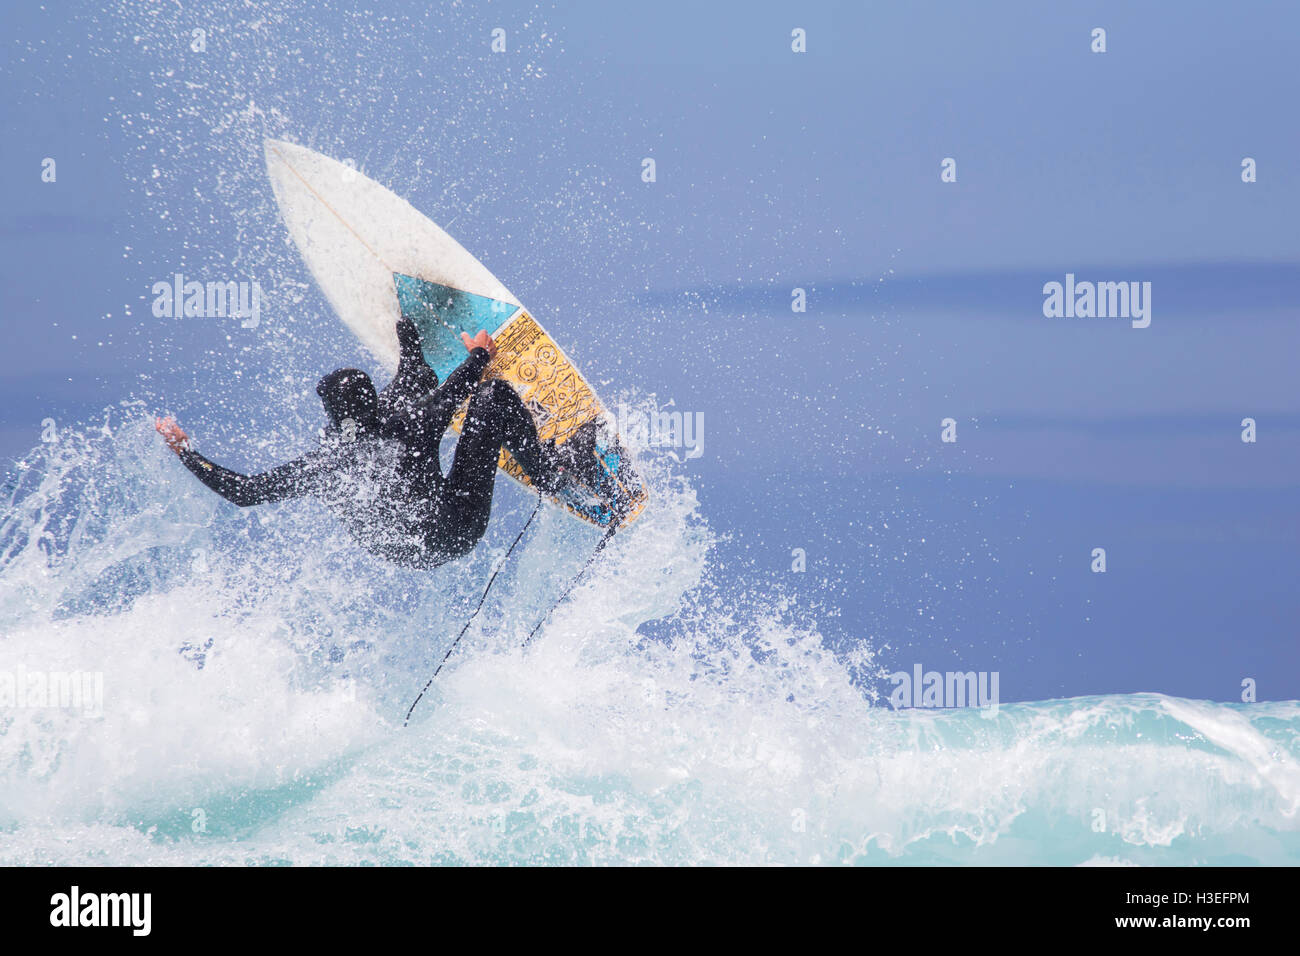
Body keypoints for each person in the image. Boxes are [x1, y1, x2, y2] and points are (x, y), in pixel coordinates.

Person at [156, 317, 601, 568]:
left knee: (410, 395)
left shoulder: (324, 460)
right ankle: (551, 472)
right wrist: (481, 354)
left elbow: (245, 492)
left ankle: (414, 358)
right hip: (455, 527)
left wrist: (186, 452)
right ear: (372, 402)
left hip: (406, 553)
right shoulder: (409, 425)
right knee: (492, 397)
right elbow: (457, 389)